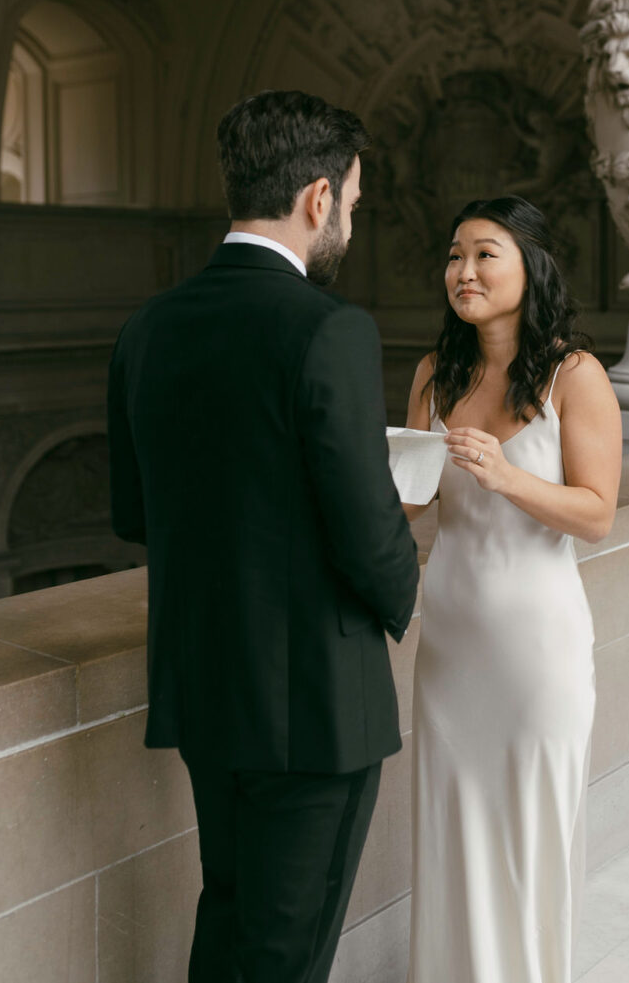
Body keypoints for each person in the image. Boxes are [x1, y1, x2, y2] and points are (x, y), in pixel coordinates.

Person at [107, 90, 419, 983]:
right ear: (318, 198)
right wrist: (405, 584)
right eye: (351, 203)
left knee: (230, 922)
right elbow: (368, 532)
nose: (349, 220)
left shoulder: (148, 327)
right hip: (316, 703)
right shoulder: (331, 328)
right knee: (285, 955)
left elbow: (134, 514)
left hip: (205, 688)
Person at [403, 195, 622, 983]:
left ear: (532, 265)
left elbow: (596, 513)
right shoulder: (435, 373)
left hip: (538, 648)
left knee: (530, 835)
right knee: (451, 833)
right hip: (449, 643)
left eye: (484, 253)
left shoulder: (574, 375)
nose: (463, 270)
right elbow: (414, 500)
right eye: (454, 255)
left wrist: (505, 474)